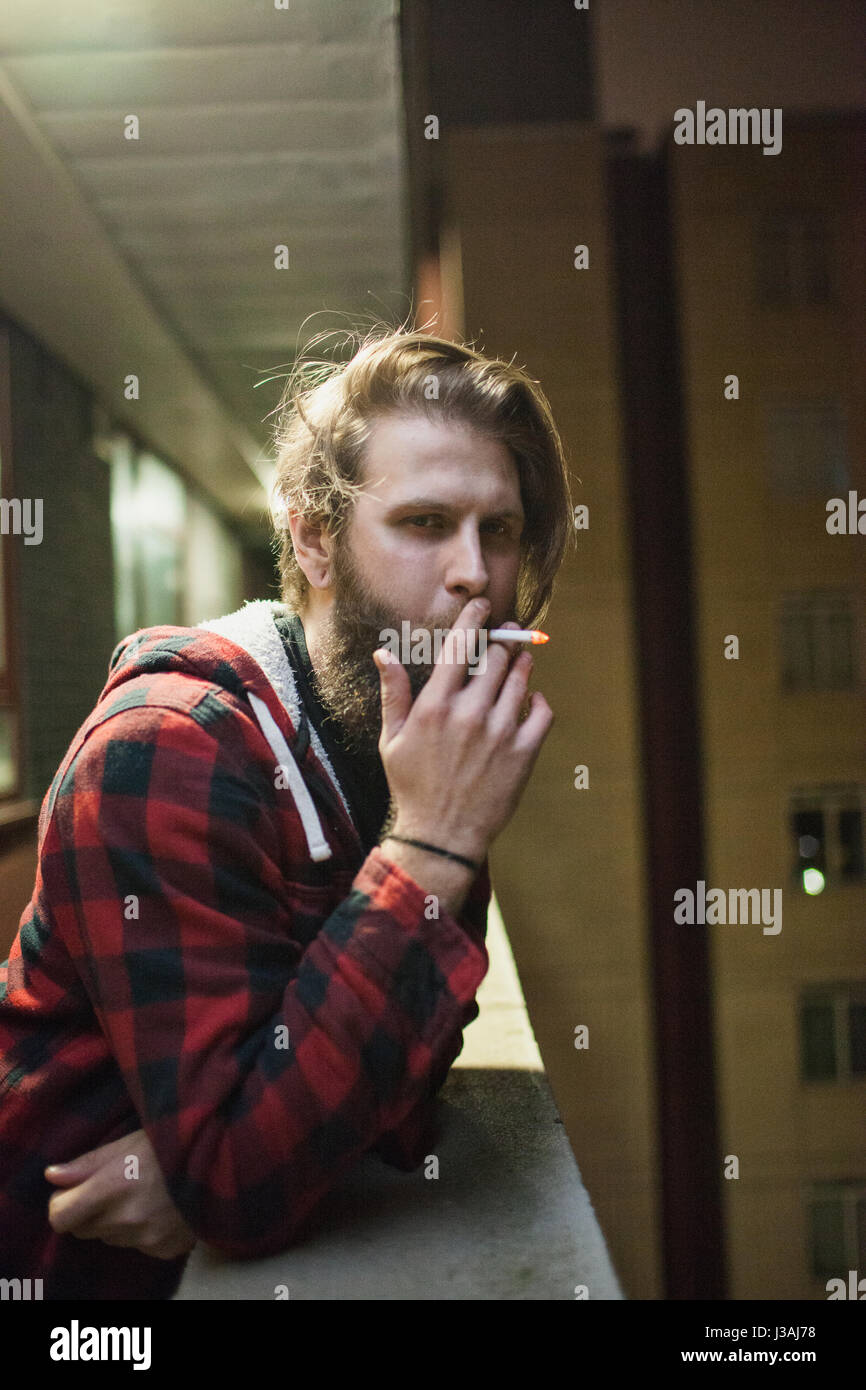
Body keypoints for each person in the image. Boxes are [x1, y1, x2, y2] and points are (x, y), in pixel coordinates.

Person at [0, 327, 572, 1299]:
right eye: (426, 523)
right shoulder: (167, 751)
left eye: (500, 529)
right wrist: (435, 846)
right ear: (312, 538)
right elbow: (239, 1180)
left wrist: (229, 1154)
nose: (475, 572)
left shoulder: (390, 741)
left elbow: (401, 1092)